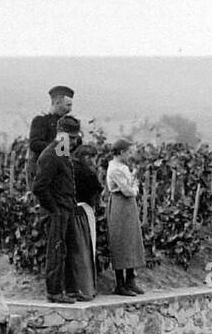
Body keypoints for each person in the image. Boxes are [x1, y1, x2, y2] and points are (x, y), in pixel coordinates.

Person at [31, 115, 82, 304]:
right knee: (56, 250)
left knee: (66, 249)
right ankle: (54, 291)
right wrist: (54, 209)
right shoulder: (51, 154)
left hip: (66, 208)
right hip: (57, 210)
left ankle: (68, 289)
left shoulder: (62, 151)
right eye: (72, 137)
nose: (75, 141)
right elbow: (39, 187)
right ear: (61, 135)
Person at [105, 138, 147, 295]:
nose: (131, 155)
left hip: (128, 206)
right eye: (129, 152)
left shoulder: (122, 167)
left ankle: (130, 280)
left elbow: (132, 187)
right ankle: (120, 284)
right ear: (121, 152)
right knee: (120, 241)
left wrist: (133, 186)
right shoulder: (115, 169)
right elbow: (128, 191)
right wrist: (134, 187)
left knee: (131, 240)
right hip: (120, 205)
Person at [26, 84, 74, 188]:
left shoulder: (68, 123)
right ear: (57, 103)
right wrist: (57, 147)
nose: (70, 109)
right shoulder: (41, 121)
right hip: (43, 171)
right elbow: (34, 144)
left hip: (60, 174)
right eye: (68, 105)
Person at [70, 143, 100, 301]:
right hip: (85, 211)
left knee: (75, 251)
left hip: (70, 210)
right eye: (92, 157)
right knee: (87, 249)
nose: (94, 161)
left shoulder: (70, 167)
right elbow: (95, 193)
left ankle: (75, 287)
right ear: (86, 157)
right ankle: (86, 288)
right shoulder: (88, 173)